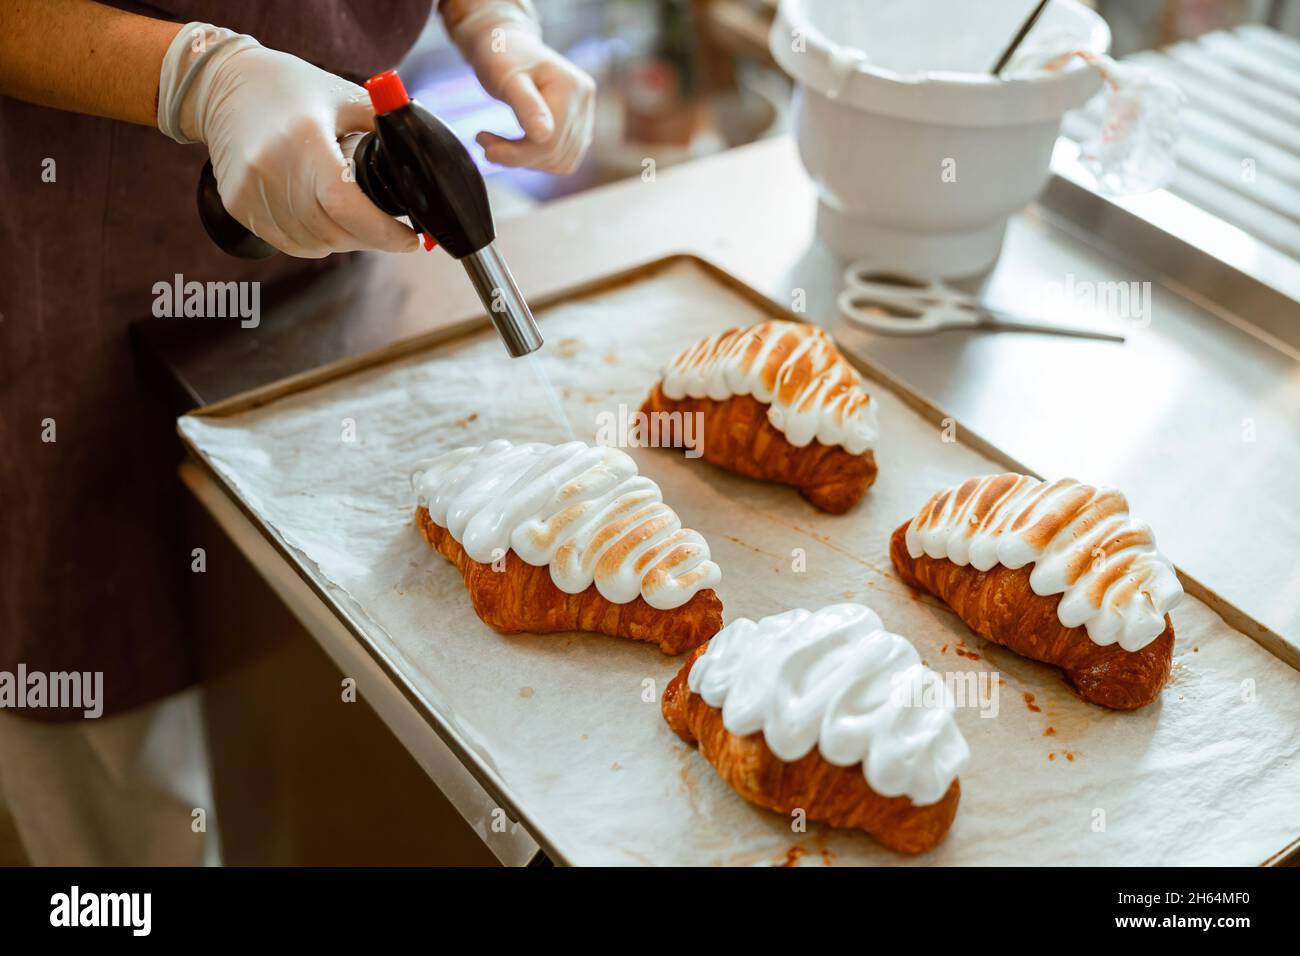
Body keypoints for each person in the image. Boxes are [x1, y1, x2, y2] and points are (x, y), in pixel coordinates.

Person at [0, 0, 594, 865]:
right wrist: (197, 76)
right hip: (63, 250)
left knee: (305, 686)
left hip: (331, 223)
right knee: (124, 762)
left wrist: (499, 24)